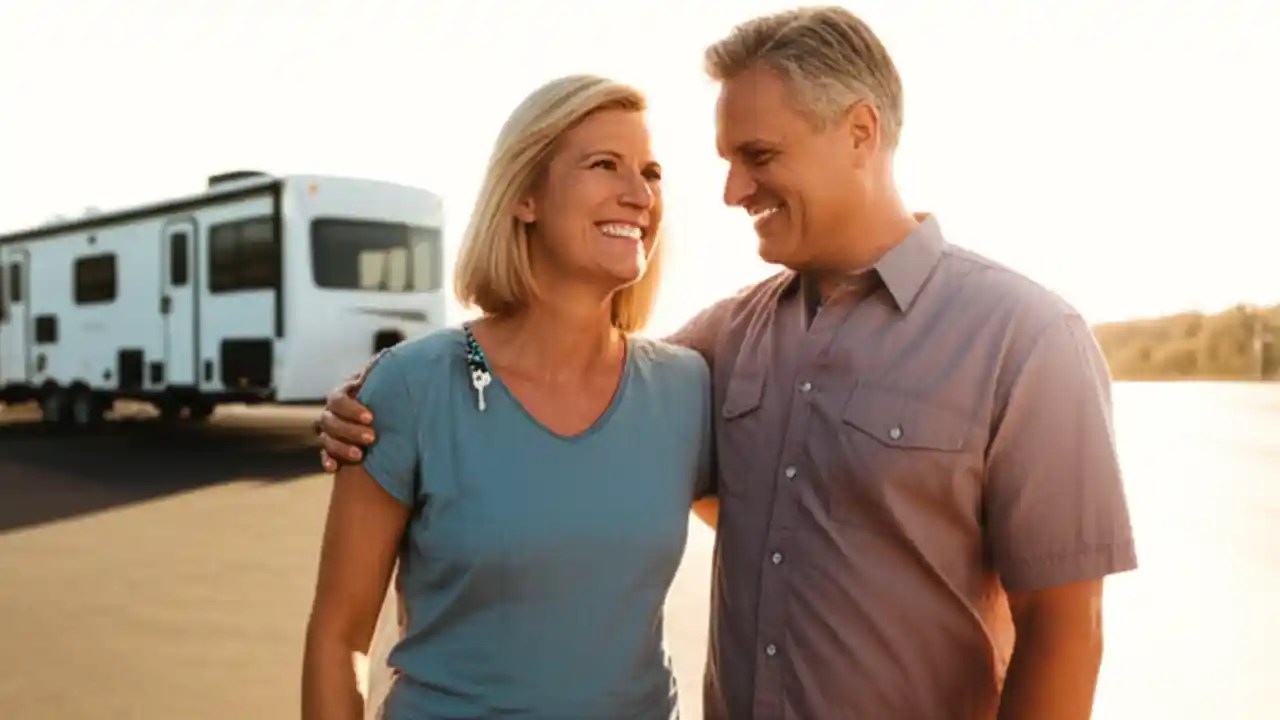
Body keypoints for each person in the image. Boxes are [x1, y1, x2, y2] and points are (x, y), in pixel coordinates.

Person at [317, 6, 1138, 719]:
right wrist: (377, 399)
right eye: (724, 161)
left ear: (860, 133)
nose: (732, 190)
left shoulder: (1025, 337)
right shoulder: (721, 345)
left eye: (758, 155)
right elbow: (566, 412)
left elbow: (1067, 629)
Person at [301, 73, 717, 720]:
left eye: (651, 172)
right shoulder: (410, 388)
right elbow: (338, 639)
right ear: (525, 197)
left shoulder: (687, 389)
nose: (639, 195)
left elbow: (787, 542)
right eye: (605, 165)